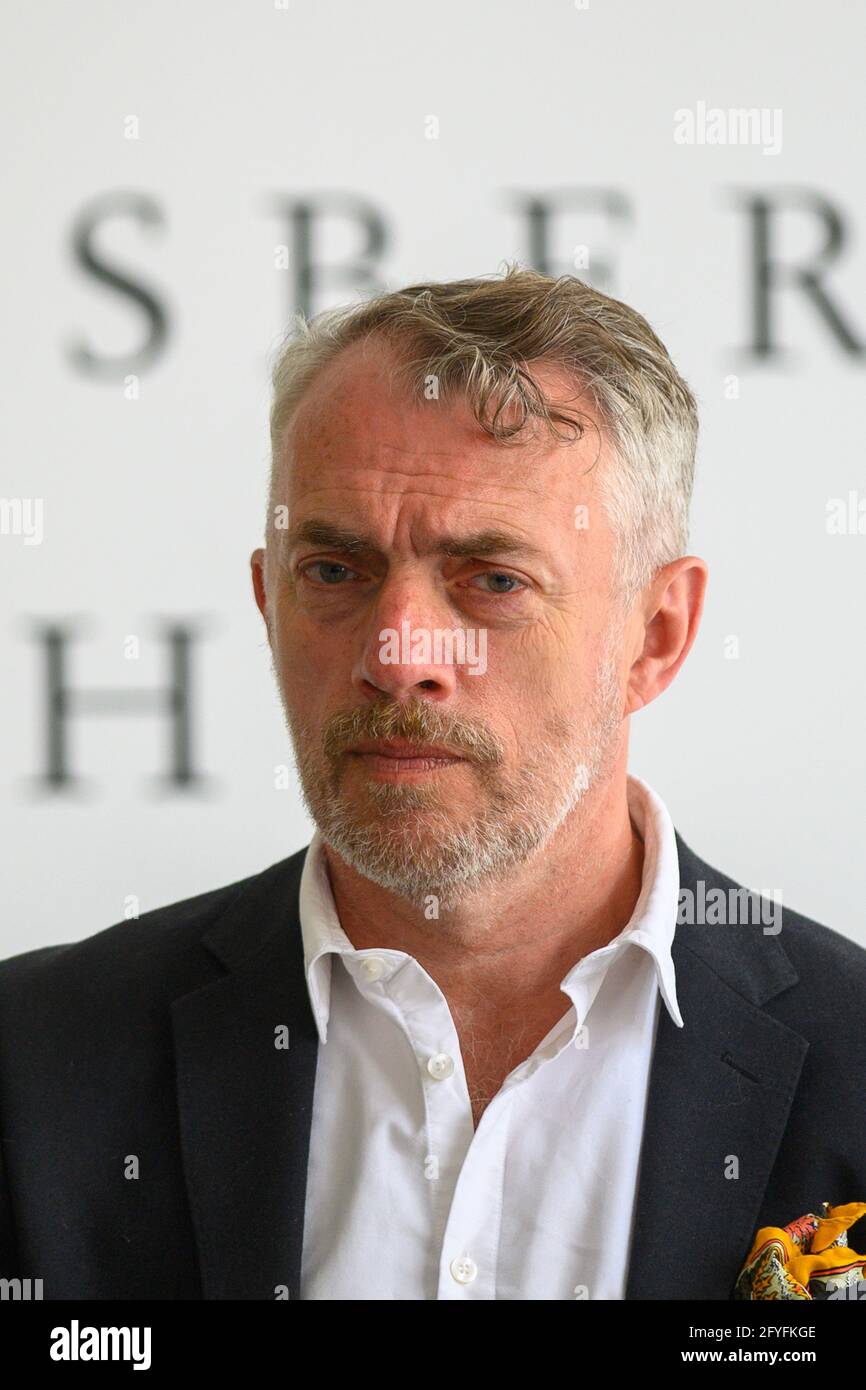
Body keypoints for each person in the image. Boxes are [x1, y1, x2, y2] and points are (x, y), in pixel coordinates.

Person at [2, 265, 865, 1300]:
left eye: (492, 580)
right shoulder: (34, 1067)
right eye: (333, 570)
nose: (397, 650)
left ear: (656, 633)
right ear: (266, 602)